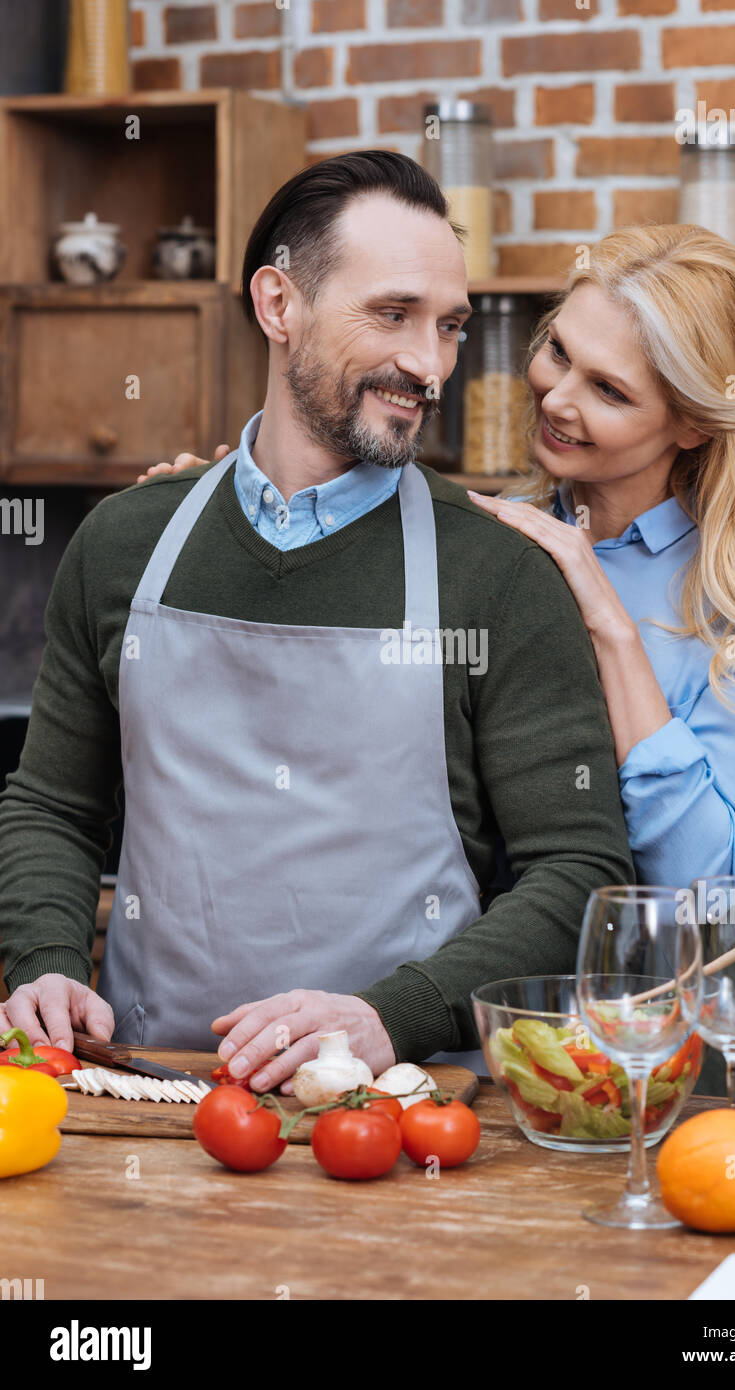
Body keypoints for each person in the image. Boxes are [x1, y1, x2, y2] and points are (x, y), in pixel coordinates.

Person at [152, 223, 735, 1100]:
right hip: (512, 1038)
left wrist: (606, 621)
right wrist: (232, 513)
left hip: (685, 1052)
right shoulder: (492, 539)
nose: (556, 398)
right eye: (557, 353)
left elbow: (703, 893)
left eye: (606, 389)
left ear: (689, 419)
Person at [0, 151, 635, 1091]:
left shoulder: (496, 574)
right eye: (392, 315)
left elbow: (578, 872)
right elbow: (53, 805)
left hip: (403, 1117)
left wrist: (392, 1017)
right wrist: (44, 961)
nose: (428, 365)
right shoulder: (126, 541)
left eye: (449, 326)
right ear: (278, 306)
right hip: (146, 1098)